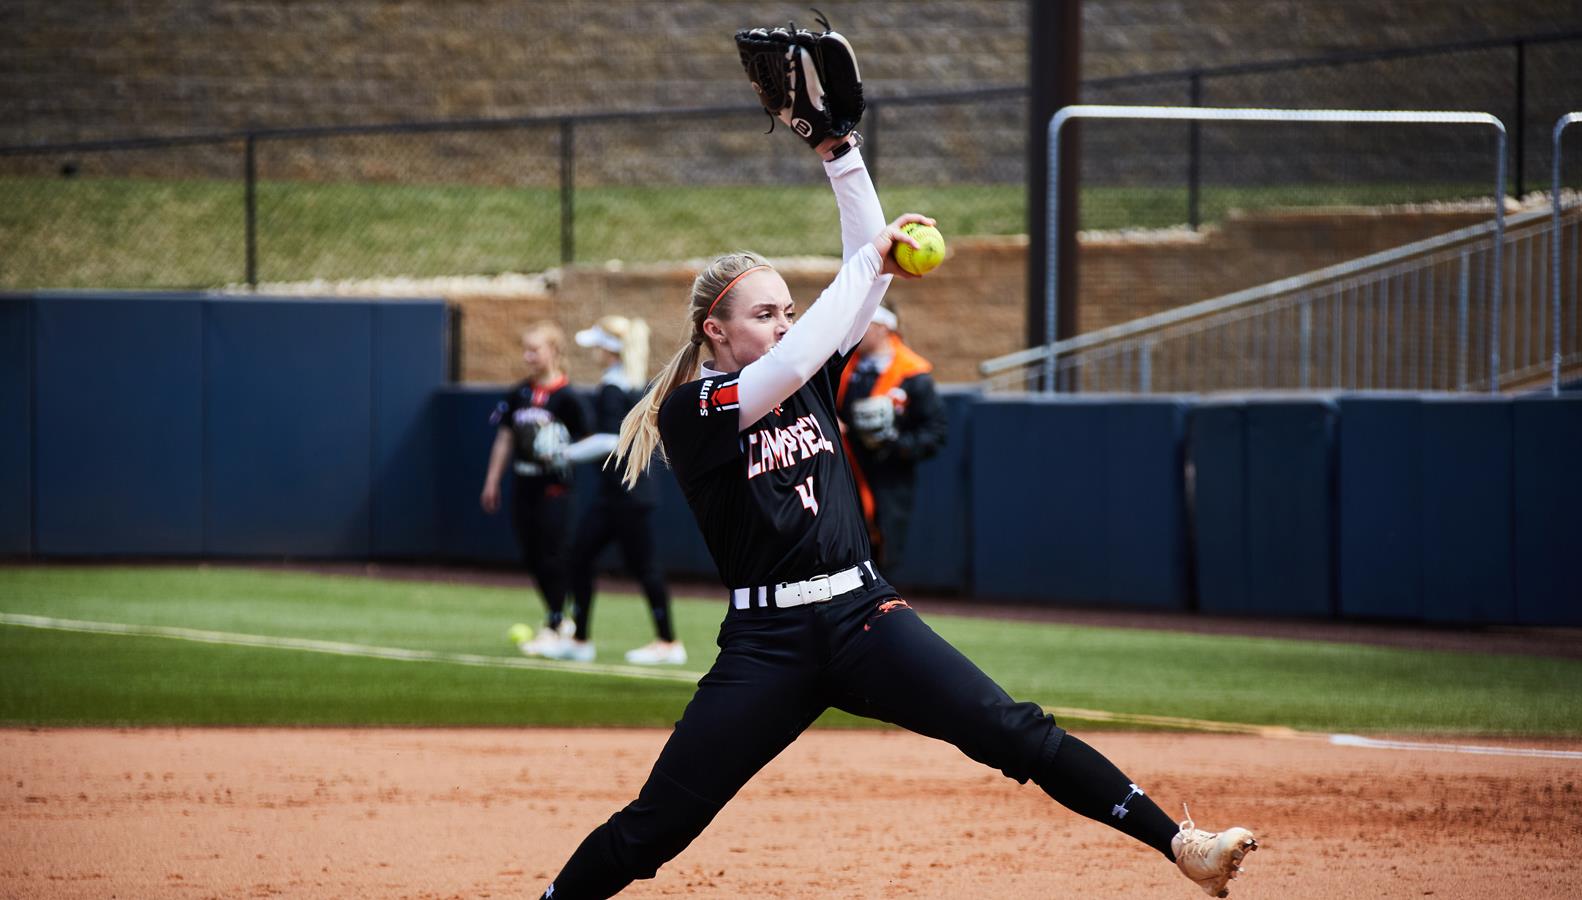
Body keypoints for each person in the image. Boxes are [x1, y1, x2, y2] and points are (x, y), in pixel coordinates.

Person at [539, 99, 1257, 900]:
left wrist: (842, 156)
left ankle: (1180, 845)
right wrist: (870, 259)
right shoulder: (695, 408)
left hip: (862, 618)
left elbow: (847, 293)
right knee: (658, 824)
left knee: (1010, 729)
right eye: (764, 313)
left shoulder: (805, 371)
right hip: (767, 644)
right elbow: (817, 327)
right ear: (716, 329)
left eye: (787, 311)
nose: (785, 325)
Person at [556, 315, 685, 665]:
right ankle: (580, 639)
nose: (595, 351)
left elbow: (612, 439)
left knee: (643, 567)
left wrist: (563, 453)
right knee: (581, 556)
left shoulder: (615, 386)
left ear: (609, 349)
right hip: (619, 493)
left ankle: (668, 642)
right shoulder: (625, 382)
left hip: (628, 494)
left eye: (599, 345)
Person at [480, 322, 591, 657]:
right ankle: (558, 616)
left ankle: (556, 622)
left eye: (535, 349)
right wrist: (492, 481)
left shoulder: (568, 397)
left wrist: (561, 454)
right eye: (526, 350)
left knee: (553, 554)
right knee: (531, 555)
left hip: (555, 488)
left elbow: (587, 440)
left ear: (554, 351)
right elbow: (505, 437)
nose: (529, 356)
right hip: (523, 484)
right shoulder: (519, 394)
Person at [836, 297, 947, 580]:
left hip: (889, 485)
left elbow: (935, 433)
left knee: (881, 566)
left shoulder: (914, 375)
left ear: (884, 327)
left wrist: (891, 442)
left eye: (865, 322)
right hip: (843, 478)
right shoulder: (841, 368)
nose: (856, 329)